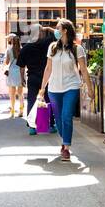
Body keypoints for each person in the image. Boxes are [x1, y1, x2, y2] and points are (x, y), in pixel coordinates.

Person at [38, 18, 94, 162]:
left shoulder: (77, 49)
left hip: (71, 86)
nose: (55, 30)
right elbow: (48, 68)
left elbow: (83, 69)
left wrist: (89, 87)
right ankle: (65, 140)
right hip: (54, 88)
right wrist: (42, 88)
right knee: (58, 119)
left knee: (66, 115)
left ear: (65, 30)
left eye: (58, 28)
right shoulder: (52, 48)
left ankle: (66, 147)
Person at [17, 25, 56, 135]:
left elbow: (21, 66)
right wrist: (48, 28)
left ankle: (32, 127)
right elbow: (60, 34)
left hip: (32, 78)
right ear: (41, 32)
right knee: (48, 100)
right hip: (47, 78)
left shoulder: (26, 47)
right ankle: (50, 125)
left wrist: (22, 78)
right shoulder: (48, 43)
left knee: (32, 101)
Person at [4, 33, 24, 117]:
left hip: (12, 72)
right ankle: (21, 111)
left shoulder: (9, 50)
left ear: (12, 41)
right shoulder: (22, 50)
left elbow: (7, 62)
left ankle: (12, 112)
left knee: (12, 94)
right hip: (20, 72)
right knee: (20, 93)